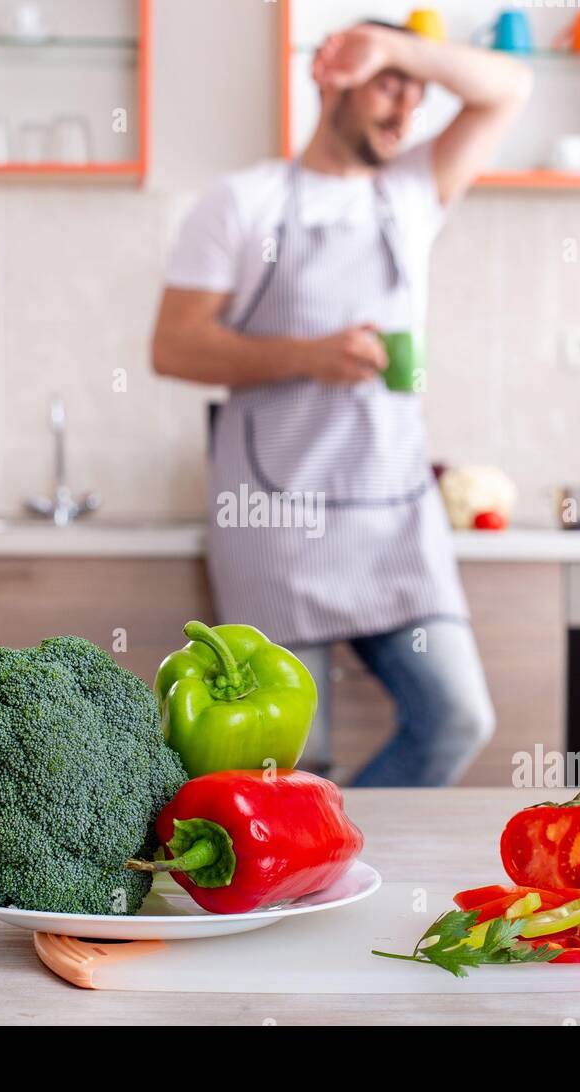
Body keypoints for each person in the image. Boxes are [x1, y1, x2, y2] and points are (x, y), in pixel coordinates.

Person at [151, 20, 532, 786]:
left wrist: (399, 53)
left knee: (457, 716)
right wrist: (309, 357)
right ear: (331, 78)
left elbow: (511, 88)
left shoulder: (412, 193)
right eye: (388, 85)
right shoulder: (242, 203)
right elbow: (174, 345)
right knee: (293, 762)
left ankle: (340, 848)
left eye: (417, 89)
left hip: (393, 510)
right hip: (275, 520)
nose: (407, 110)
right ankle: (311, 876)